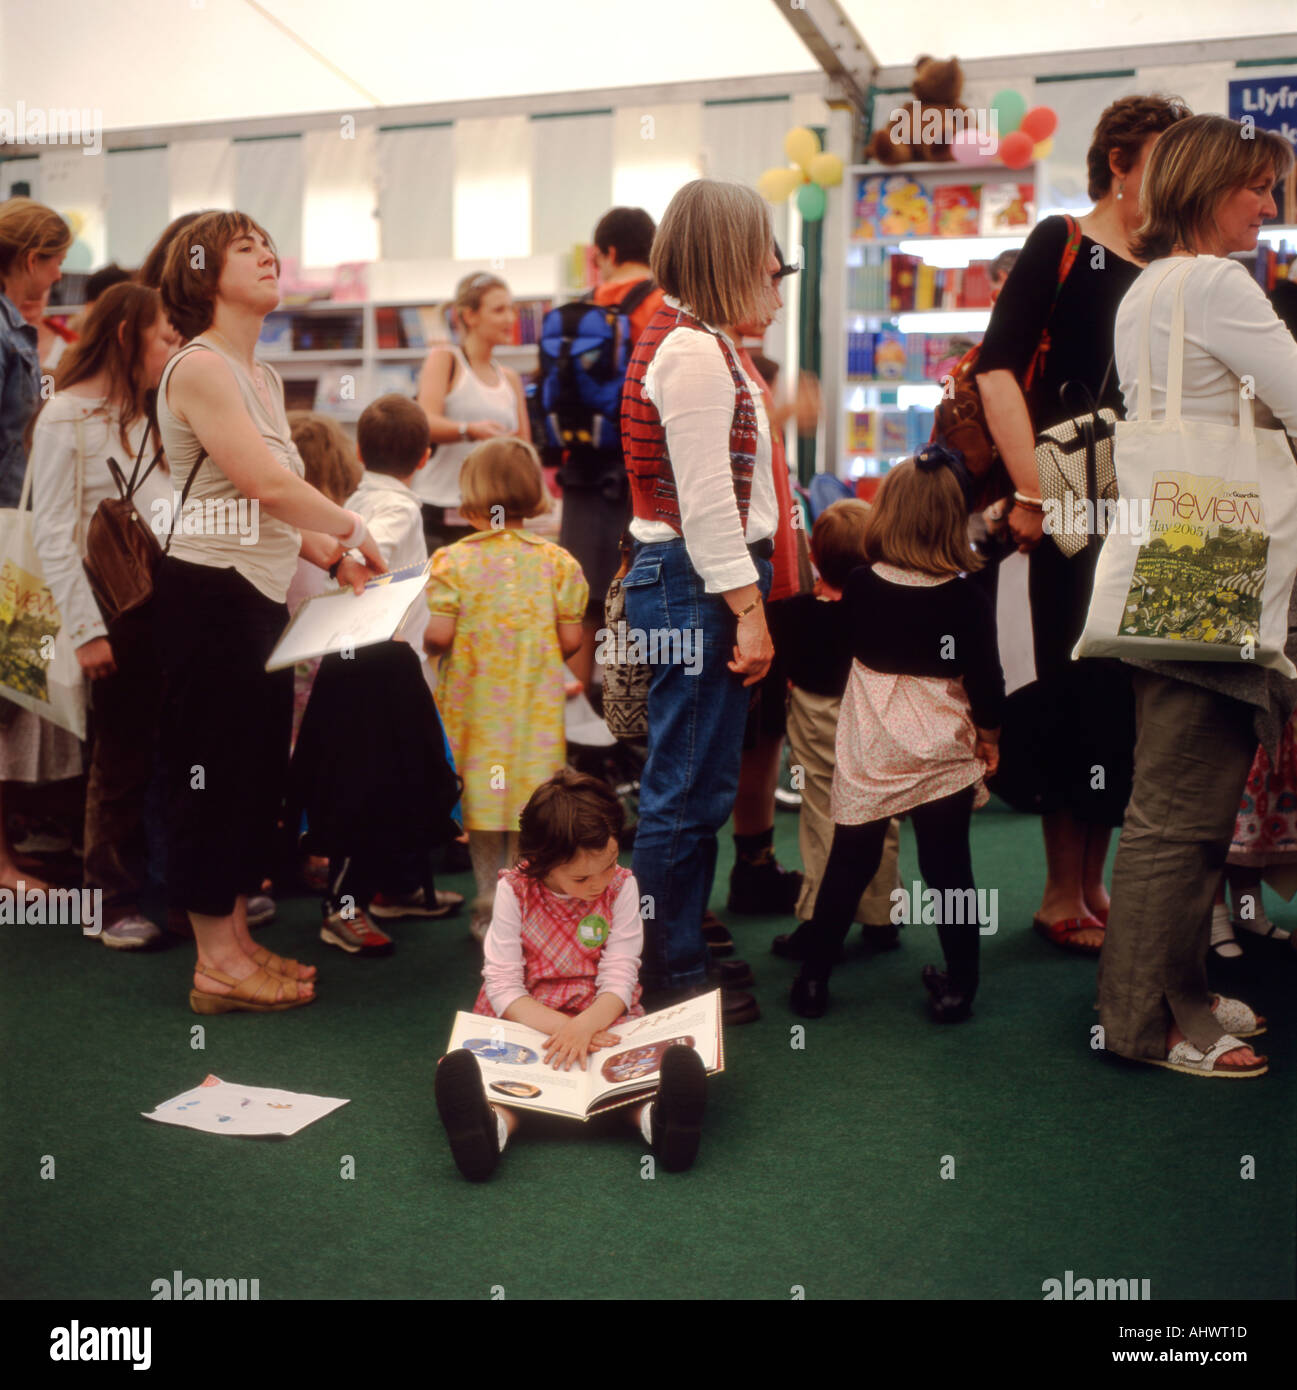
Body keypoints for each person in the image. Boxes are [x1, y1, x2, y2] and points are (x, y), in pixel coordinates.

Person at [1097, 114, 1297, 1078]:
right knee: (1181, 810)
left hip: (1174, 537)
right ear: (1207, 185)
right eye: (1256, 186)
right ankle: (1145, 1023)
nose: (1269, 203)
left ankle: (1174, 992)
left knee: (1179, 796)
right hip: (1213, 544)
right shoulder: (1218, 282)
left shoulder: (1148, 286)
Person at [974, 94, 1191, 955]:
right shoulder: (1058, 242)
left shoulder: (1174, 259)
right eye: (1164, 162)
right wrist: (1036, 495)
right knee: (1064, 688)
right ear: (1118, 164)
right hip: (1065, 507)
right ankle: (1059, 893)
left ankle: (1090, 886)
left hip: (1138, 505)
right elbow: (996, 370)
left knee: (1117, 694)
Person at [155, 210, 386, 1014]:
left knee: (249, 777)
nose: (267, 256)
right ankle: (214, 966)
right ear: (199, 272)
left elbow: (270, 505)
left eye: (268, 245)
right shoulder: (201, 367)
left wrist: (326, 551)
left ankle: (237, 946)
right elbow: (266, 485)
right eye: (243, 248)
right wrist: (352, 525)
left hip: (246, 597)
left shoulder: (259, 375)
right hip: (206, 597)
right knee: (210, 780)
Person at [618, 179, 779, 1025]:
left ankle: (670, 962)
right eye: (758, 245)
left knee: (691, 791)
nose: (768, 263)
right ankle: (667, 974)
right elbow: (710, 505)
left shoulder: (687, 339)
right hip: (696, 582)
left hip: (689, 579)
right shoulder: (693, 350)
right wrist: (750, 612)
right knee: (682, 795)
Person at [788, 446, 1004, 1022]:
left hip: (873, 746)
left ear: (889, 513)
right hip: (938, 751)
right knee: (949, 871)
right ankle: (959, 987)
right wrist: (990, 738)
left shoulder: (861, 583)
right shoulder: (965, 596)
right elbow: (987, 678)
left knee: (848, 861)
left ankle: (813, 980)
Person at [433, 769, 707, 1180]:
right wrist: (569, 1030)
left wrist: (587, 1026)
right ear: (542, 864)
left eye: (611, 864)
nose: (600, 884)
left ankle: (659, 1120)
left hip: (601, 1013)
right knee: (501, 1080)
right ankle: (489, 1130)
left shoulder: (623, 887)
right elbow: (503, 984)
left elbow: (620, 974)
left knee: (629, 1079)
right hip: (528, 1015)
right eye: (581, 877)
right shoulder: (514, 891)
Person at [28, 283, 181, 949]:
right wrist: (86, 631)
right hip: (109, 614)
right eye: (165, 337)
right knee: (118, 762)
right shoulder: (66, 417)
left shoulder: (143, 416)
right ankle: (110, 902)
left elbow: (164, 511)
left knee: (162, 755)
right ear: (126, 336)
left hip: (155, 606)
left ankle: (163, 889)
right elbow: (53, 533)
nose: (173, 350)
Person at [291, 394, 464, 956]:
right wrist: (359, 557)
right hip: (378, 676)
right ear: (425, 457)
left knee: (391, 787)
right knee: (369, 791)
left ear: (360, 450)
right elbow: (373, 549)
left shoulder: (357, 496)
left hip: (376, 672)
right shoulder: (397, 508)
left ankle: (398, 886)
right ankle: (346, 905)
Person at [423, 436, 587, 941]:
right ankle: (522, 899)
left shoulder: (451, 563)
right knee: (527, 805)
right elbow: (570, 639)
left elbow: (440, 636)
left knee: (483, 809)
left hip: (473, 717)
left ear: (471, 497)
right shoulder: (558, 562)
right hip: (533, 715)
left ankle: (487, 899)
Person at [768, 499, 903, 962]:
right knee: (879, 810)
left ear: (812, 553)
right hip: (878, 718)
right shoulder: (889, 612)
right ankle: (883, 913)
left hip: (816, 718)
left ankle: (819, 921)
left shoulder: (793, 613)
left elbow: (780, 670)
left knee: (823, 813)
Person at [726, 244, 817, 925]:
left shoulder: (754, 369)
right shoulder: (708, 362)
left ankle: (754, 865)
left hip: (774, 582)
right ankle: (693, 908)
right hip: (740, 590)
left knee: (763, 739)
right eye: (768, 283)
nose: (777, 301)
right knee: (722, 744)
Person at [560, 208, 666, 692]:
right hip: (645, 479)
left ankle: (578, 734)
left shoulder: (578, 309)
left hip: (582, 477)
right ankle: (631, 726)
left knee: (583, 605)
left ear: (607, 253)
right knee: (641, 603)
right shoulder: (666, 306)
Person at [0, 196, 73, 893]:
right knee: (6, 691)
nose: (55, 281)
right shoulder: (5, 335)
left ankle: (12, 849)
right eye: (54, 265)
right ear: (31, 259)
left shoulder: (16, 330)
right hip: (6, 537)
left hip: (13, 532)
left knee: (14, 690)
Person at [414, 273, 530, 552]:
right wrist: (470, 430)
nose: (510, 319)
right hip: (440, 511)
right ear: (469, 316)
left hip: (494, 513)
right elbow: (424, 423)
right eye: (499, 310)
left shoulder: (510, 378)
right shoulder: (445, 359)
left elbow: (524, 446)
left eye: (511, 309)